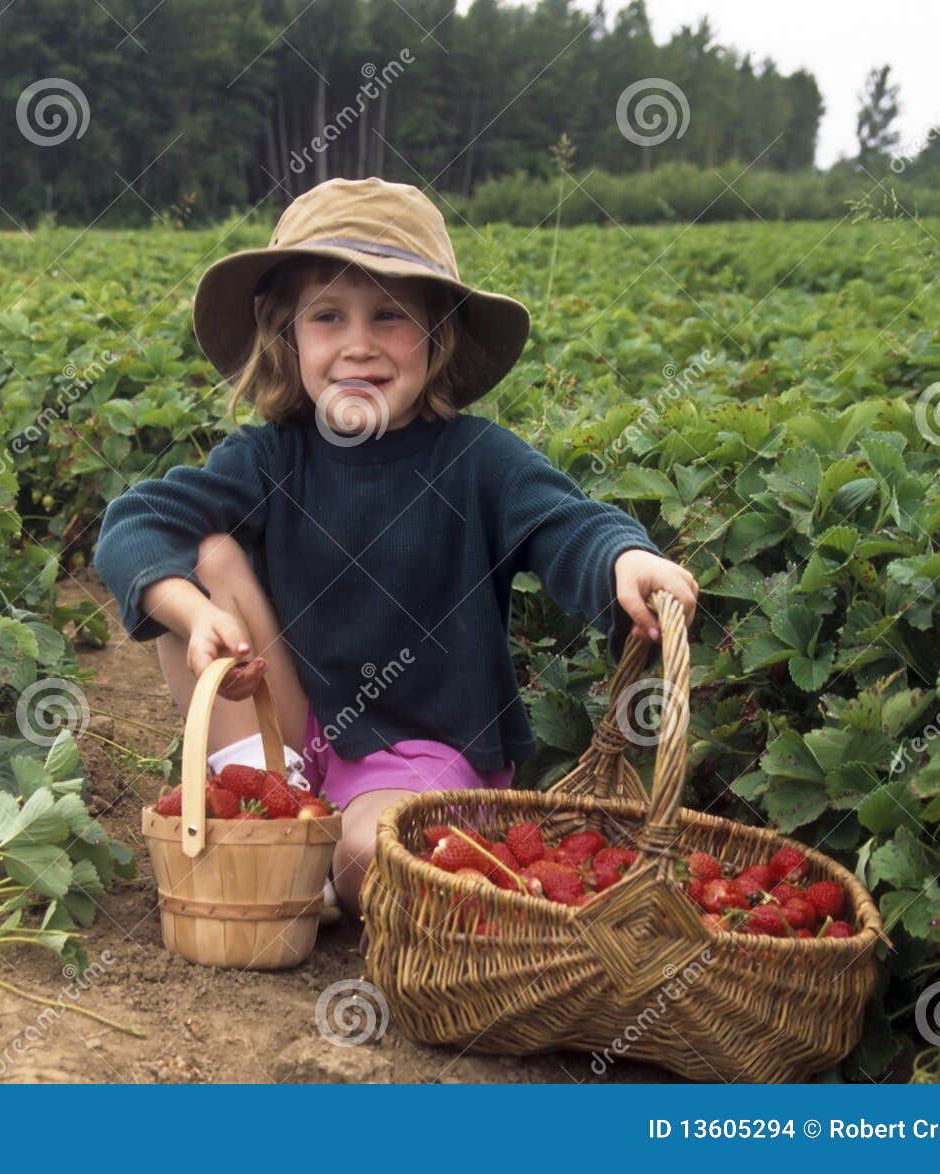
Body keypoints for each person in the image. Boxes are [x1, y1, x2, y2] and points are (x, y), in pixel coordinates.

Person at [92, 176, 698, 924]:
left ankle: (321, 861)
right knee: (208, 554)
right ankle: (273, 815)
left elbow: (564, 521)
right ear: (289, 338)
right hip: (294, 730)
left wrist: (622, 560)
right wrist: (190, 610)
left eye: (390, 316)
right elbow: (133, 522)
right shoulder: (272, 457)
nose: (359, 344)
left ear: (437, 334)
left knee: (368, 854)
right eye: (328, 316)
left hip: (422, 758)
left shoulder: (477, 459)